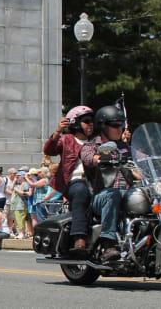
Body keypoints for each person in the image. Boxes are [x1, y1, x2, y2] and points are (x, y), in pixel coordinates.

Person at [80, 104, 133, 262]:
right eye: (115, 125)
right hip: (99, 197)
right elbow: (88, 158)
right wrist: (102, 158)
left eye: (121, 125)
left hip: (127, 194)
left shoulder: (125, 147)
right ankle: (108, 242)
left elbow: (141, 158)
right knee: (113, 195)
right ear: (103, 126)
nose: (120, 129)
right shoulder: (91, 146)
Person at [43, 105, 94, 253]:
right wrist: (58, 131)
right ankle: (79, 237)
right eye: (86, 121)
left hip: (96, 182)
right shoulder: (66, 139)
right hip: (74, 182)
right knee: (80, 190)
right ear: (76, 123)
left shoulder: (97, 141)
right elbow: (49, 150)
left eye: (92, 121)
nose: (91, 124)